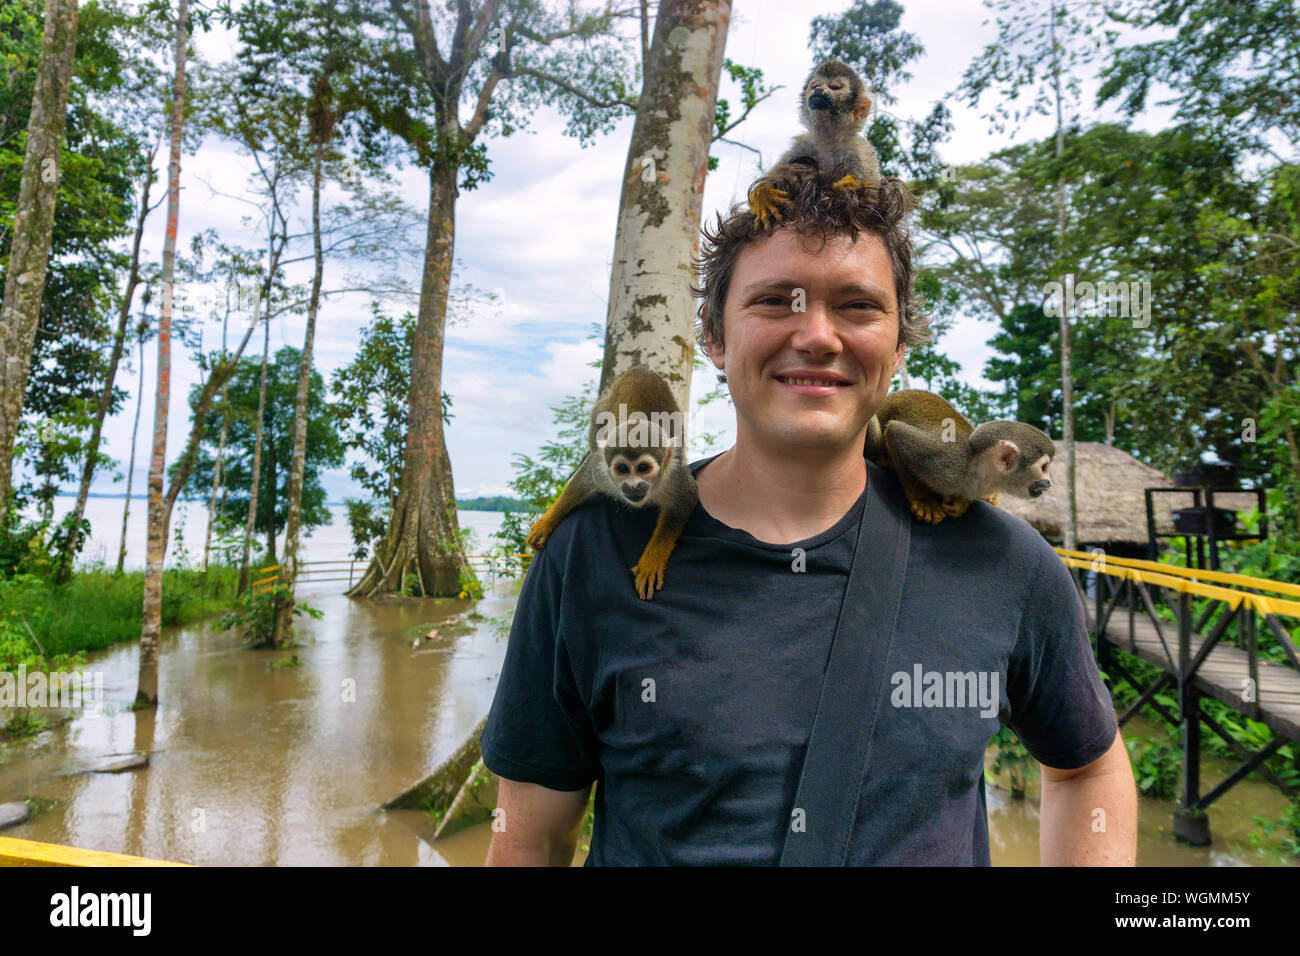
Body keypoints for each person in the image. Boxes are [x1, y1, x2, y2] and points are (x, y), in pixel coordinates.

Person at [480, 169, 1136, 866]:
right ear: (714, 338)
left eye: (857, 306)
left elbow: (1086, 770)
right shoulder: (592, 550)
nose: (818, 336)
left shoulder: (1006, 562)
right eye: (774, 301)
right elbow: (530, 836)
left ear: (899, 347)